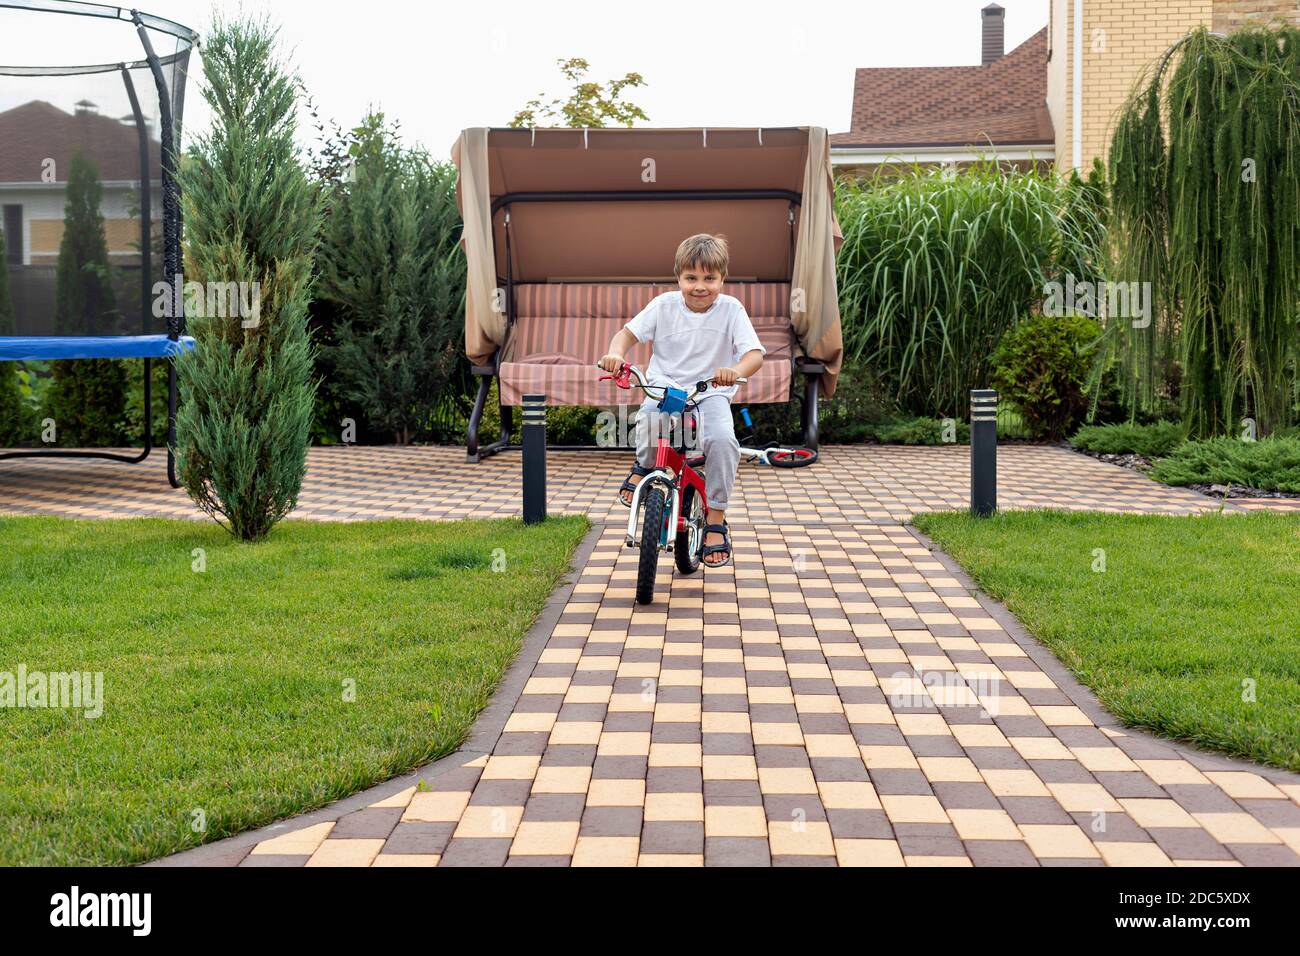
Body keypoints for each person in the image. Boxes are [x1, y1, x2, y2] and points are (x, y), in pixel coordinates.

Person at [598, 233, 765, 567]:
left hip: (710, 389)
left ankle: (715, 518)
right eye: (691, 278)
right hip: (667, 385)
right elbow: (626, 335)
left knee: (721, 440)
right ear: (679, 278)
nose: (700, 286)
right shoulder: (664, 306)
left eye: (709, 278)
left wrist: (734, 369)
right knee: (649, 417)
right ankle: (643, 467)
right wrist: (616, 354)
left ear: (722, 279)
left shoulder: (731, 310)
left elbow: (754, 354)